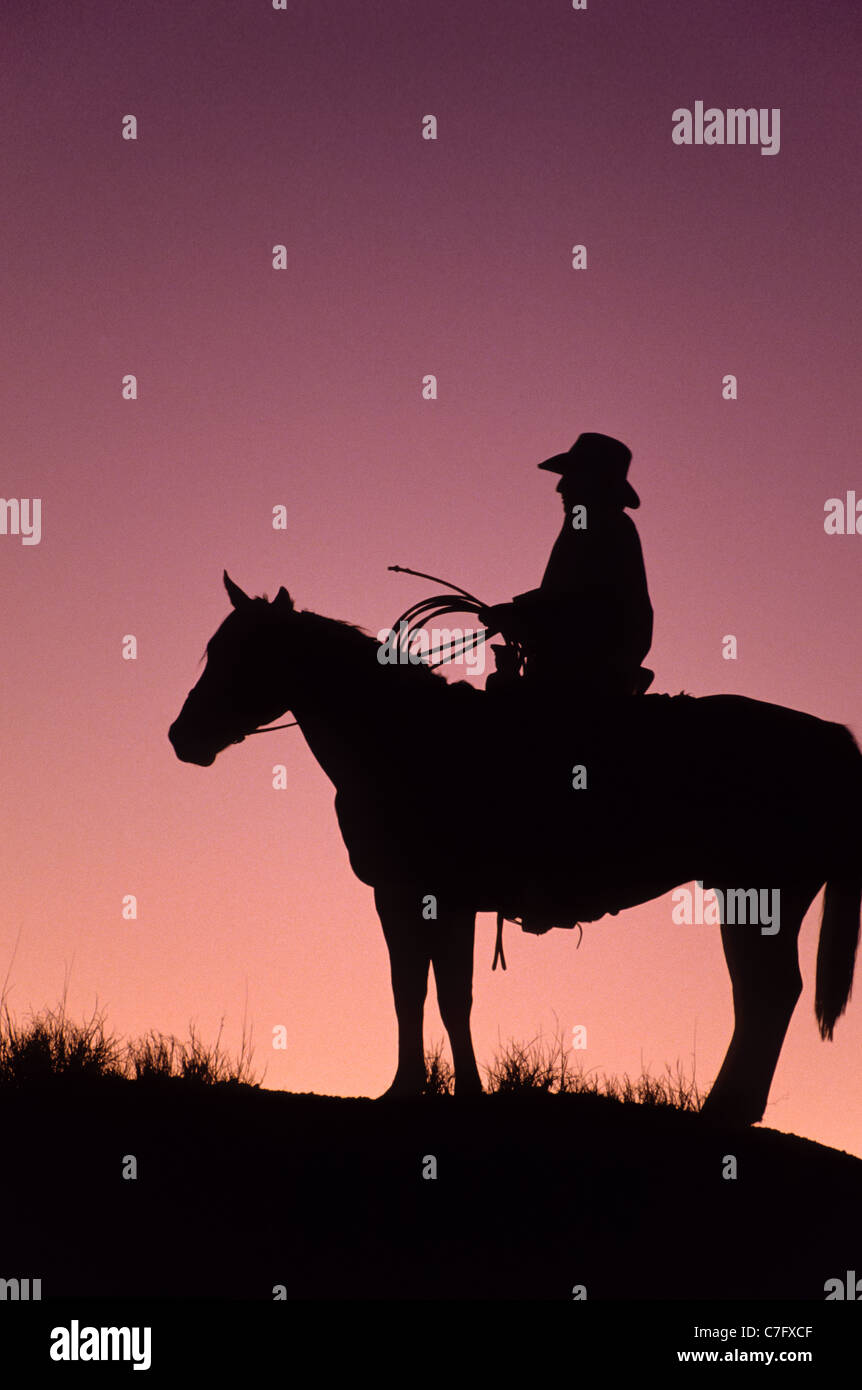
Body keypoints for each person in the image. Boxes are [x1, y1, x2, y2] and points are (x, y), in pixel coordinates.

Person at [482, 432, 653, 700]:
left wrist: (519, 613)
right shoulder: (592, 525)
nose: (560, 488)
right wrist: (519, 612)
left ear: (594, 482)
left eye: (571, 477)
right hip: (578, 672)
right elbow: (572, 597)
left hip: (584, 681)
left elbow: (583, 603)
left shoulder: (607, 527)